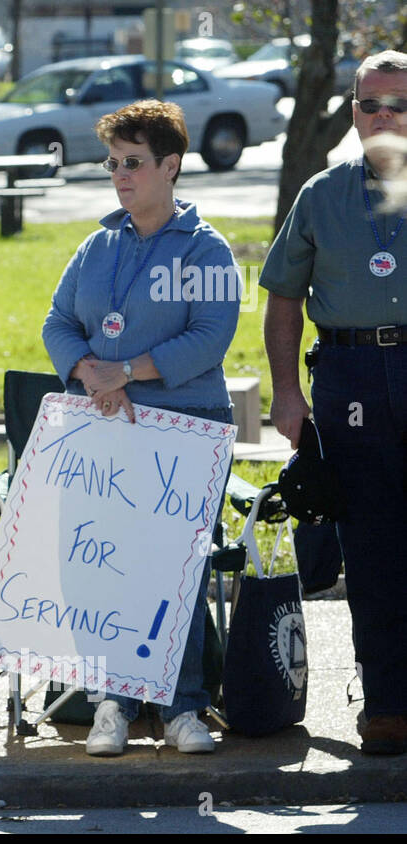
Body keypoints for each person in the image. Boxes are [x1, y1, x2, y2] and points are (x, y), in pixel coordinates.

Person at [41, 99, 241, 756]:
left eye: (133, 163)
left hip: (185, 432)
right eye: (113, 164)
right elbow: (57, 323)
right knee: (109, 569)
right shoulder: (96, 246)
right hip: (104, 430)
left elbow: (209, 340)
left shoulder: (206, 249)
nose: (120, 176)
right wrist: (87, 371)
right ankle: (112, 705)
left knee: (172, 570)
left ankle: (183, 708)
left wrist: (124, 370)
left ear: (171, 166)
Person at [261, 50, 407, 755]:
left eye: (399, 104)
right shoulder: (320, 194)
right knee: (370, 546)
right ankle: (386, 703)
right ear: (351, 111)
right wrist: (287, 394)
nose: (384, 116)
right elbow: (283, 296)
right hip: (348, 374)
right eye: (370, 104)